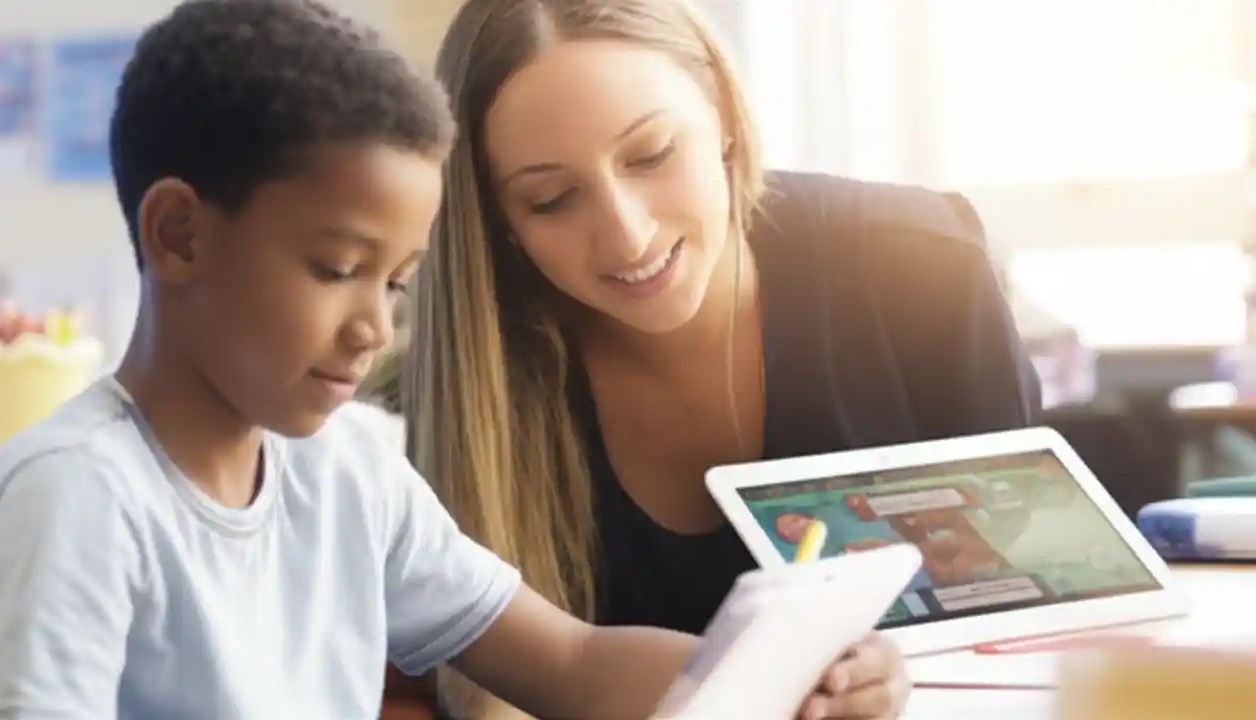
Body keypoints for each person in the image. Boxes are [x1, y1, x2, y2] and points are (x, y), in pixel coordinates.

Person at [0, 2, 854, 718]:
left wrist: (795, 677)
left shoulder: (347, 470)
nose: (374, 327)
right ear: (179, 235)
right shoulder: (77, 494)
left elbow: (572, 663)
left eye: (395, 282)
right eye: (336, 270)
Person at [393, 0, 1040, 716]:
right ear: (499, 223)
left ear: (725, 114)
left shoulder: (922, 268)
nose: (628, 236)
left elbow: (1038, 618)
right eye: (552, 199)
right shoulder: (464, 386)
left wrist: (907, 674)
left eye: (651, 155)